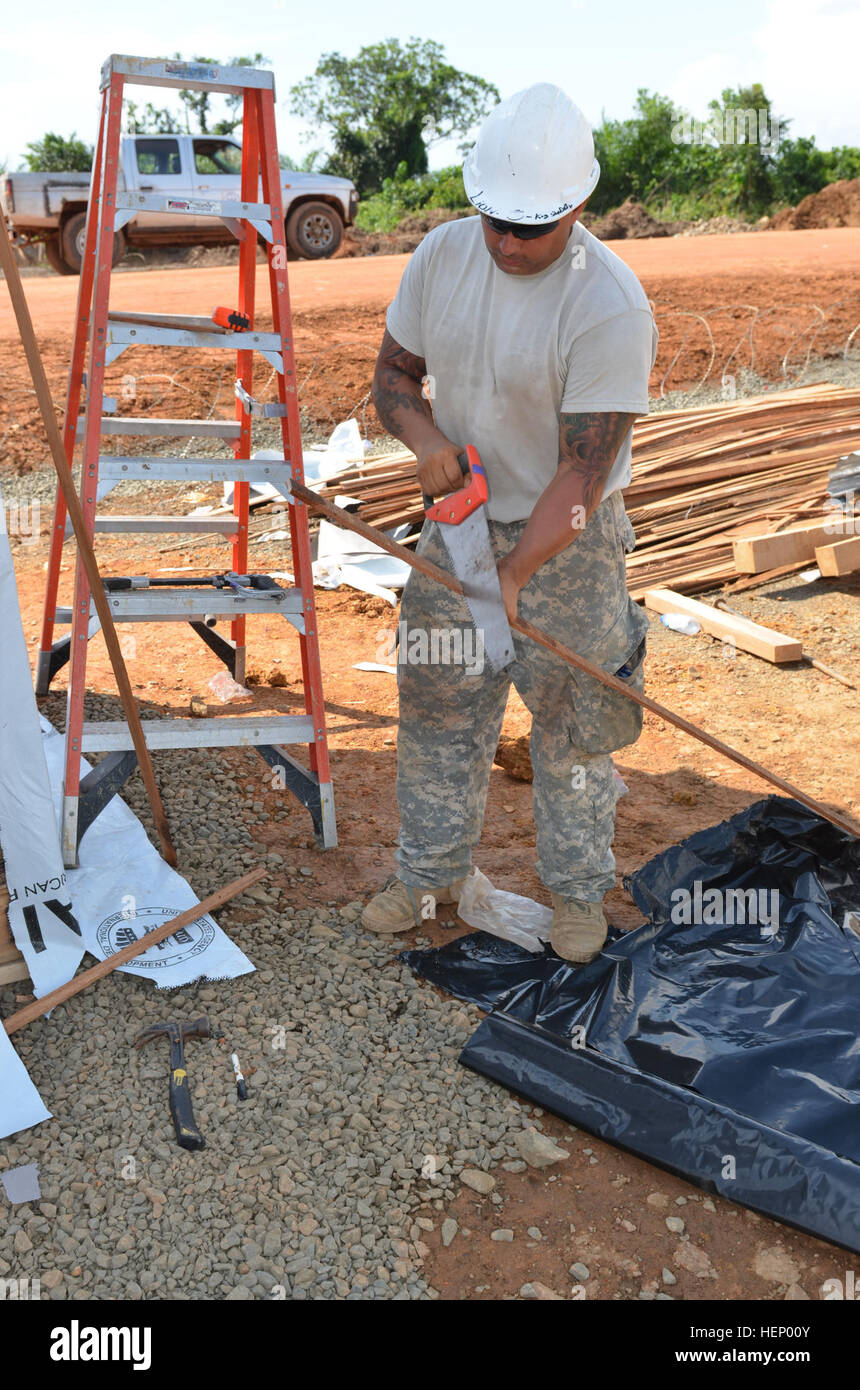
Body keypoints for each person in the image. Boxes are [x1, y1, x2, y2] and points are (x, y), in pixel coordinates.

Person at [362, 82, 658, 964]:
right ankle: (429, 875)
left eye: (529, 227)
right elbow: (393, 378)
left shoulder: (607, 302)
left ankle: (574, 893)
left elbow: (582, 474)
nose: (505, 243)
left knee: (573, 722)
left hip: (568, 541)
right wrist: (422, 439)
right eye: (493, 220)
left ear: (576, 205)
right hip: (459, 519)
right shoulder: (443, 257)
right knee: (441, 697)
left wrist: (516, 577)